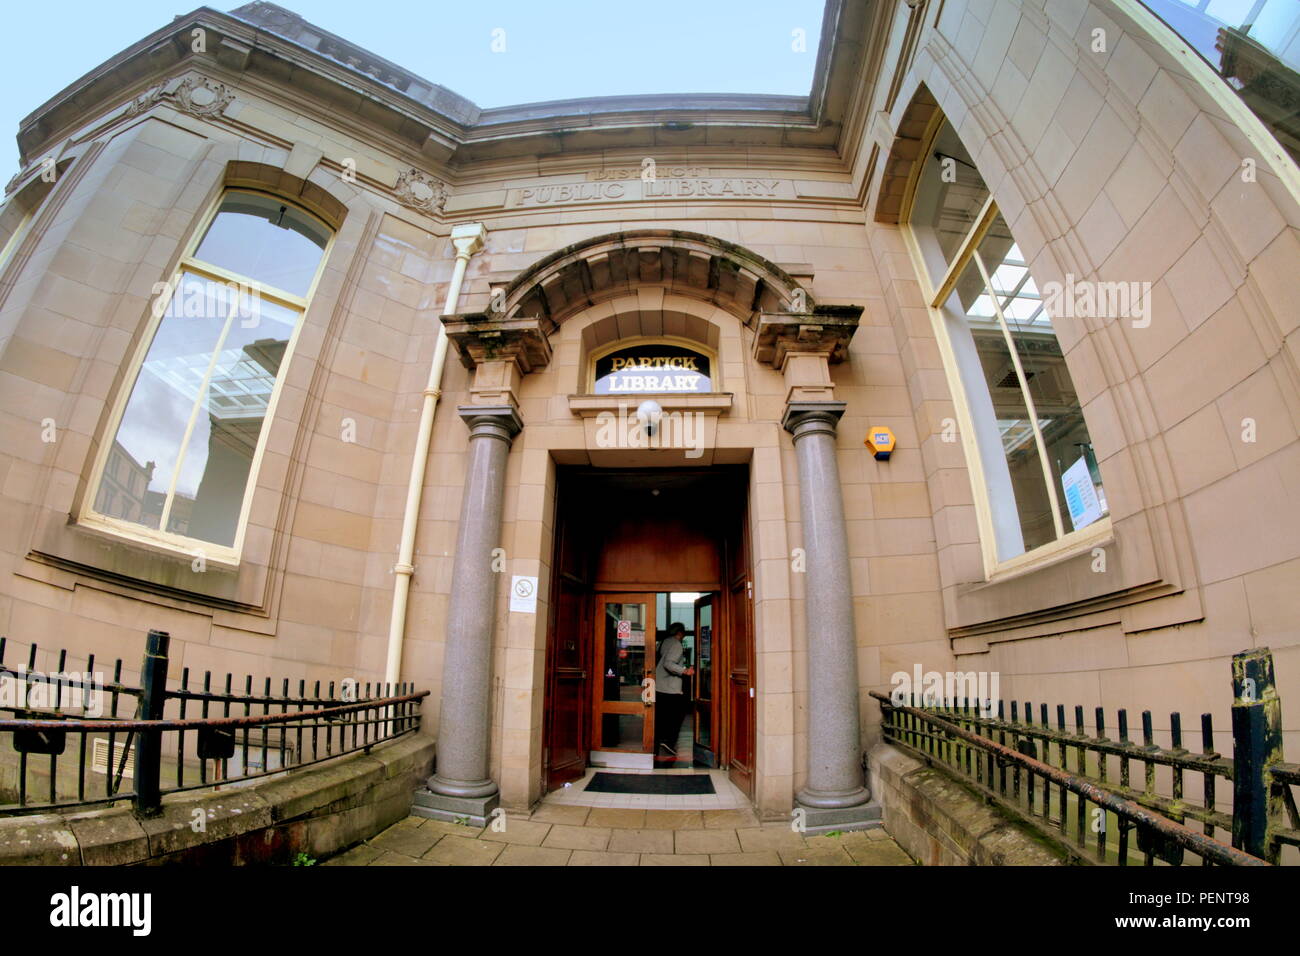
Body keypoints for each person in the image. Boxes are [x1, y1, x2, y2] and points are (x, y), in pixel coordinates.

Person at [654, 622, 693, 761]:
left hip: (659, 685)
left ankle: (655, 744)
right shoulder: (676, 644)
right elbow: (668, 663)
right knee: (677, 716)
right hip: (670, 688)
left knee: (660, 717)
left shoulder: (663, 642)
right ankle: (669, 743)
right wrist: (685, 671)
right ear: (680, 633)